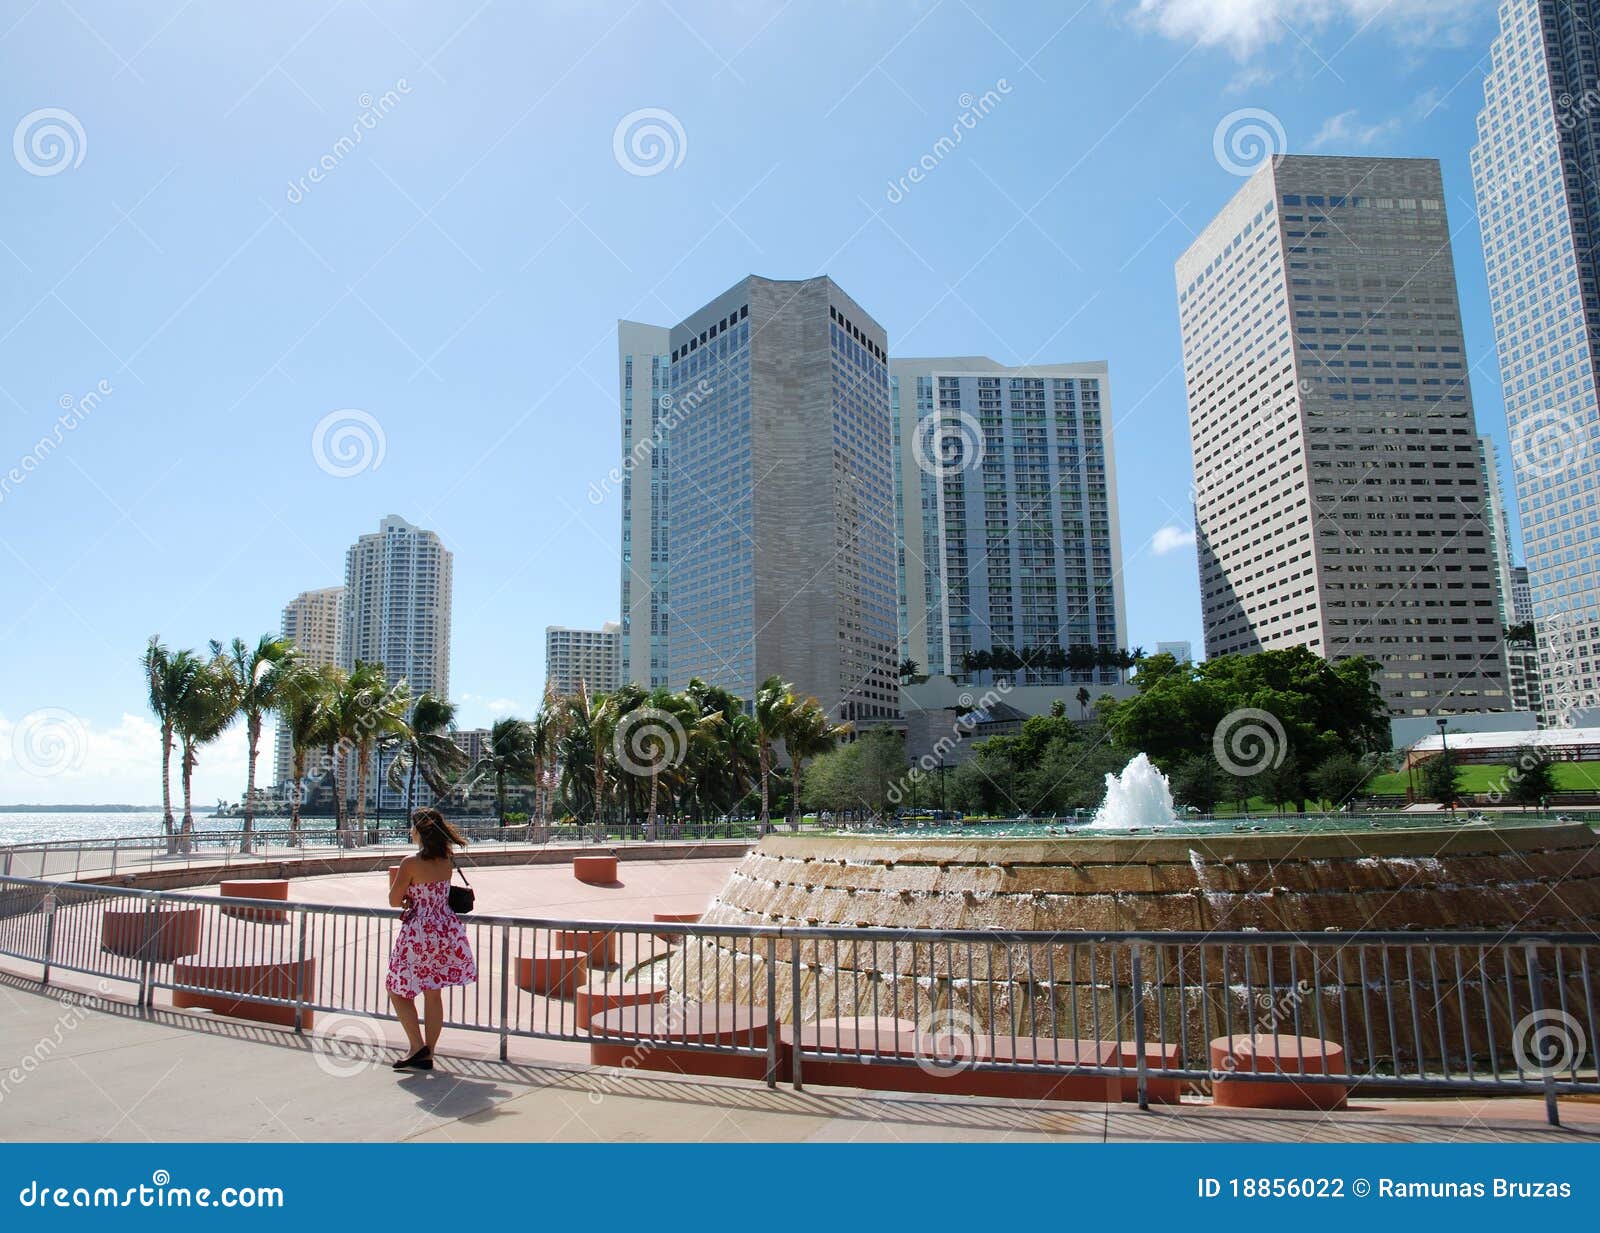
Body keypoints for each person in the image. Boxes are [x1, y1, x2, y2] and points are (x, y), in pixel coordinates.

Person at [386, 808, 477, 1071]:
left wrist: (407, 897)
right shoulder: (447, 859)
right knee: (433, 994)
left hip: (419, 932)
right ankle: (429, 1053)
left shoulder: (410, 863)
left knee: (396, 988)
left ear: (418, 831)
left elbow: (393, 900)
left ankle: (417, 1047)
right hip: (446, 929)